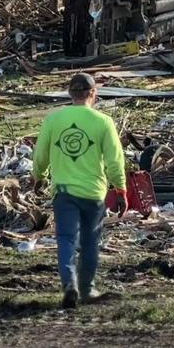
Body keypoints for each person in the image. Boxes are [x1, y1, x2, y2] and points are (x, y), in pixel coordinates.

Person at [31, 73, 126, 308]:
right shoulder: (103, 122)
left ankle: (69, 284)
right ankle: (87, 289)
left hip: (64, 191)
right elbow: (115, 160)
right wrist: (120, 188)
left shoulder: (54, 120)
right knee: (90, 241)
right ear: (93, 94)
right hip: (93, 192)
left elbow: (41, 154)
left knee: (65, 238)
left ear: (70, 94)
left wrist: (38, 176)